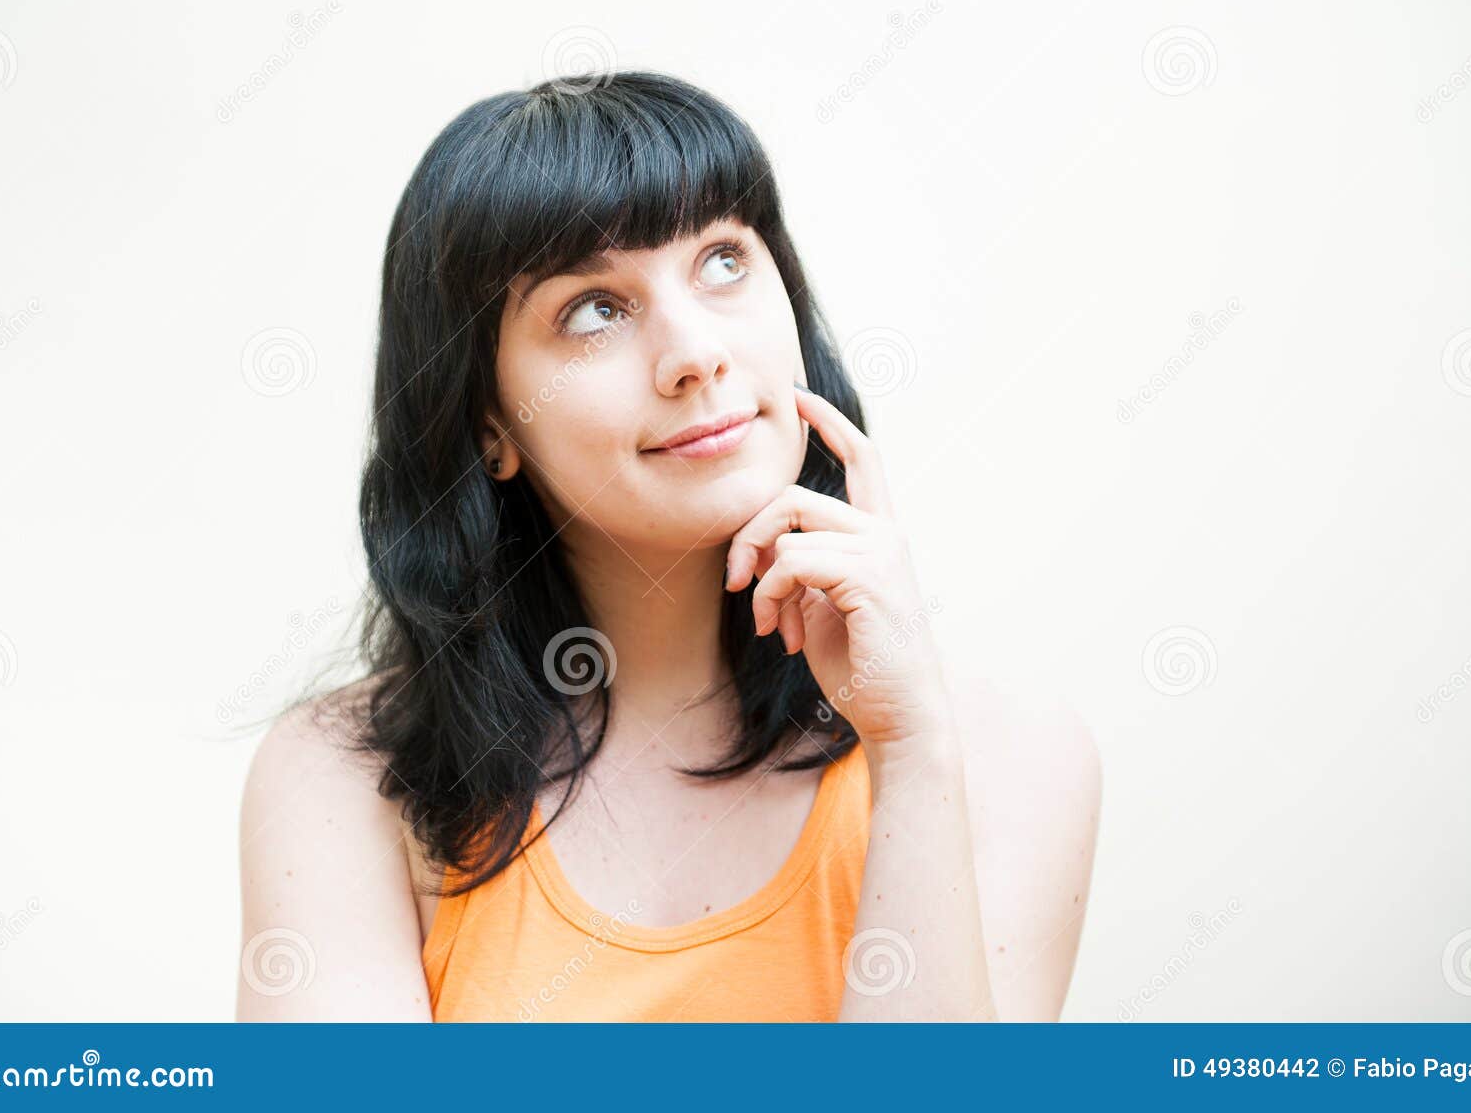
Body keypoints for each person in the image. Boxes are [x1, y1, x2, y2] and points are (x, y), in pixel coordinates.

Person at [237, 70, 1101, 1022]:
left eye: (725, 259)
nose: (696, 352)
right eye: (593, 310)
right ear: (490, 425)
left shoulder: (1001, 753)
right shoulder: (345, 782)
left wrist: (915, 757)